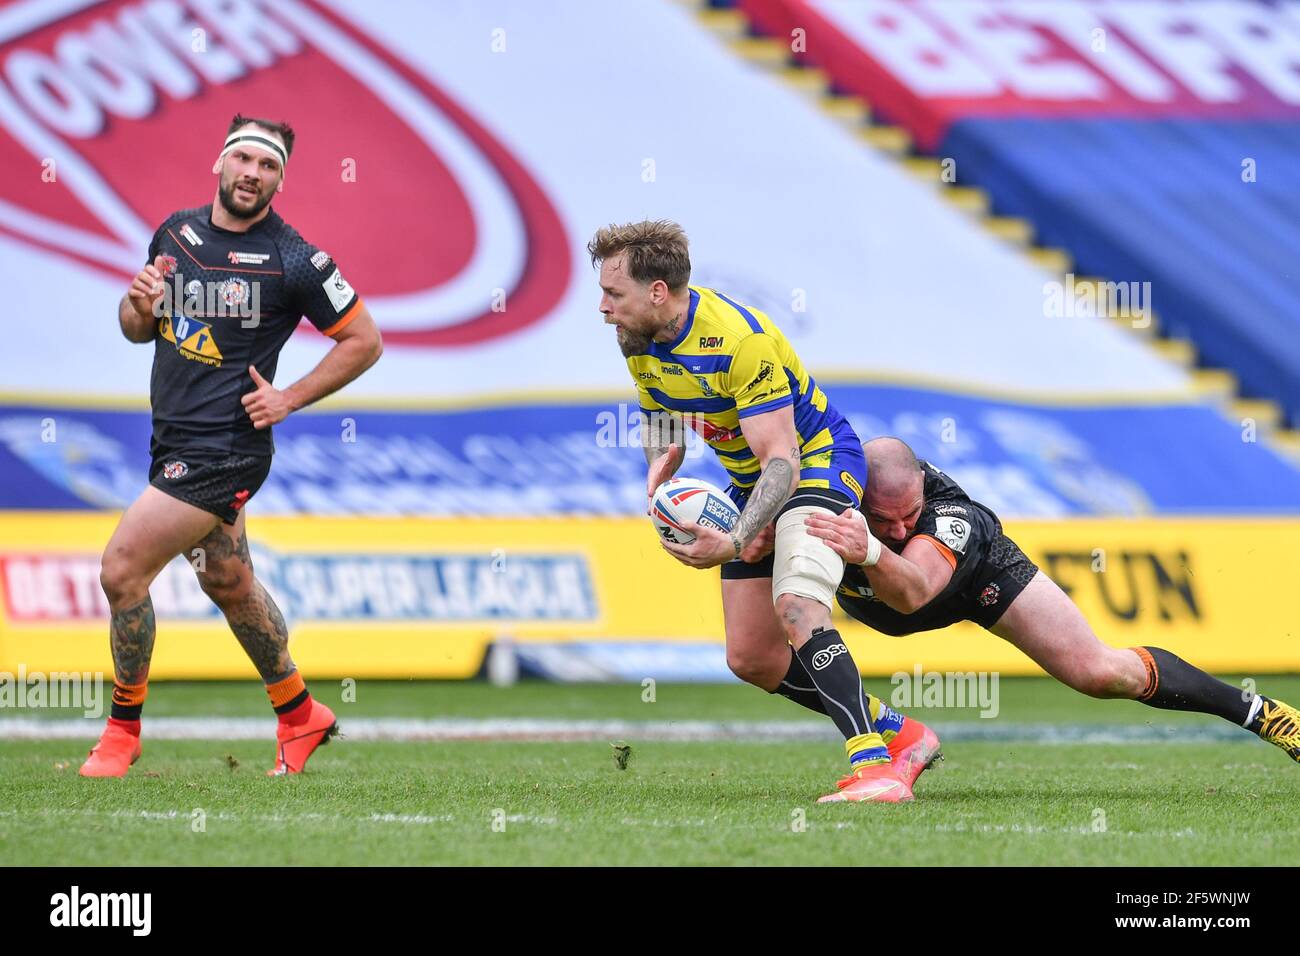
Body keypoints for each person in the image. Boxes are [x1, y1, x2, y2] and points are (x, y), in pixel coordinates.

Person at [590, 220, 938, 803]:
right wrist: (662, 466)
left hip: (817, 462)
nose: (602, 308)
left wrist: (734, 540)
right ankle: (901, 734)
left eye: (613, 294)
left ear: (657, 292)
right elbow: (660, 415)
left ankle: (874, 767)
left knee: (798, 604)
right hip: (754, 481)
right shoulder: (635, 337)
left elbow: (783, 463)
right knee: (751, 656)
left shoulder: (737, 341)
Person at [82, 115, 384, 778]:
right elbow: (140, 328)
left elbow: (365, 340)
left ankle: (121, 734)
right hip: (173, 441)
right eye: (244, 159)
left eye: (268, 166)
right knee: (228, 580)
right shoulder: (176, 233)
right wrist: (137, 305)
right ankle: (300, 713)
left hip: (227, 452)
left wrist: (290, 398)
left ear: (280, 179)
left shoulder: (296, 259)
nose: (253, 174)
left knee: (121, 570)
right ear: (221, 163)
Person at [798, 437, 1300, 767]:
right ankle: (892, 729)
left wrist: (870, 545)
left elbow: (911, 594)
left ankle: (1262, 713)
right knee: (759, 656)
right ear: (856, 496)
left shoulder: (951, 516)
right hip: (887, 588)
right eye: (886, 520)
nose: (903, 529)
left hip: (974, 575)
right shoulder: (825, 493)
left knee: (1101, 673)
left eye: (911, 515)